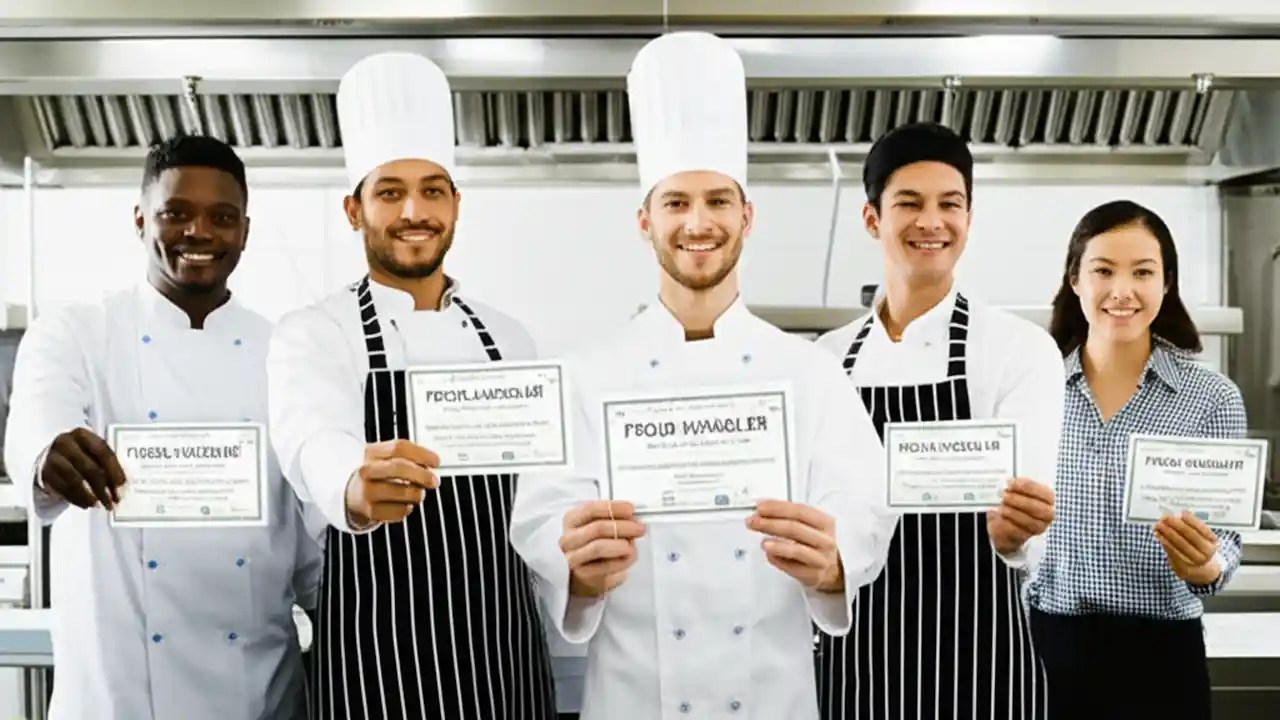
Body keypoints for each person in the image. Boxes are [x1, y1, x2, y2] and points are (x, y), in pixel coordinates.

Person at [509, 32, 897, 720]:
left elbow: (862, 503)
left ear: (747, 217)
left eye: (719, 201)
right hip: (633, 699)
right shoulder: (585, 373)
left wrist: (836, 560)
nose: (699, 222)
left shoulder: (809, 372)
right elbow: (540, 512)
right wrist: (574, 561)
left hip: (772, 700)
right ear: (644, 221)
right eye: (676, 202)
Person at [266, 51, 558, 720]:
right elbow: (311, 435)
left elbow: (541, 496)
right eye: (389, 191)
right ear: (353, 209)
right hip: (376, 662)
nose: (413, 210)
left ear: (456, 204)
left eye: (432, 190)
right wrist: (355, 487)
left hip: (502, 656)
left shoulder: (508, 339)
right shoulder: (315, 333)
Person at [2, 135, 322, 720]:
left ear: (244, 231)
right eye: (175, 214)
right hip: (116, 698)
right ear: (140, 219)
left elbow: (313, 544)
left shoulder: (286, 353)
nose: (198, 233)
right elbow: (38, 415)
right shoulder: (78, 333)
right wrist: (51, 454)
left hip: (257, 697)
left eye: (221, 218)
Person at [814, 122, 1062, 719]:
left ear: (969, 220)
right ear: (873, 220)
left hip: (982, 659)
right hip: (857, 661)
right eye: (909, 203)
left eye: (950, 205)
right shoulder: (825, 359)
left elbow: (1030, 524)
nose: (932, 222)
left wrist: (1016, 533)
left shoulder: (1017, 349)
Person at [1026, 199, 1246, 719]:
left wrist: (1206, 565)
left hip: (1163, 657)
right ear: (1074, 280)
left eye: (1142, 272)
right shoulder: (1033, 390)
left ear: (1166, 283)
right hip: (1046, 647)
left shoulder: (1212, 398)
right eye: (1103, 270)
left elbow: (1229, 543)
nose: (1122, 291)